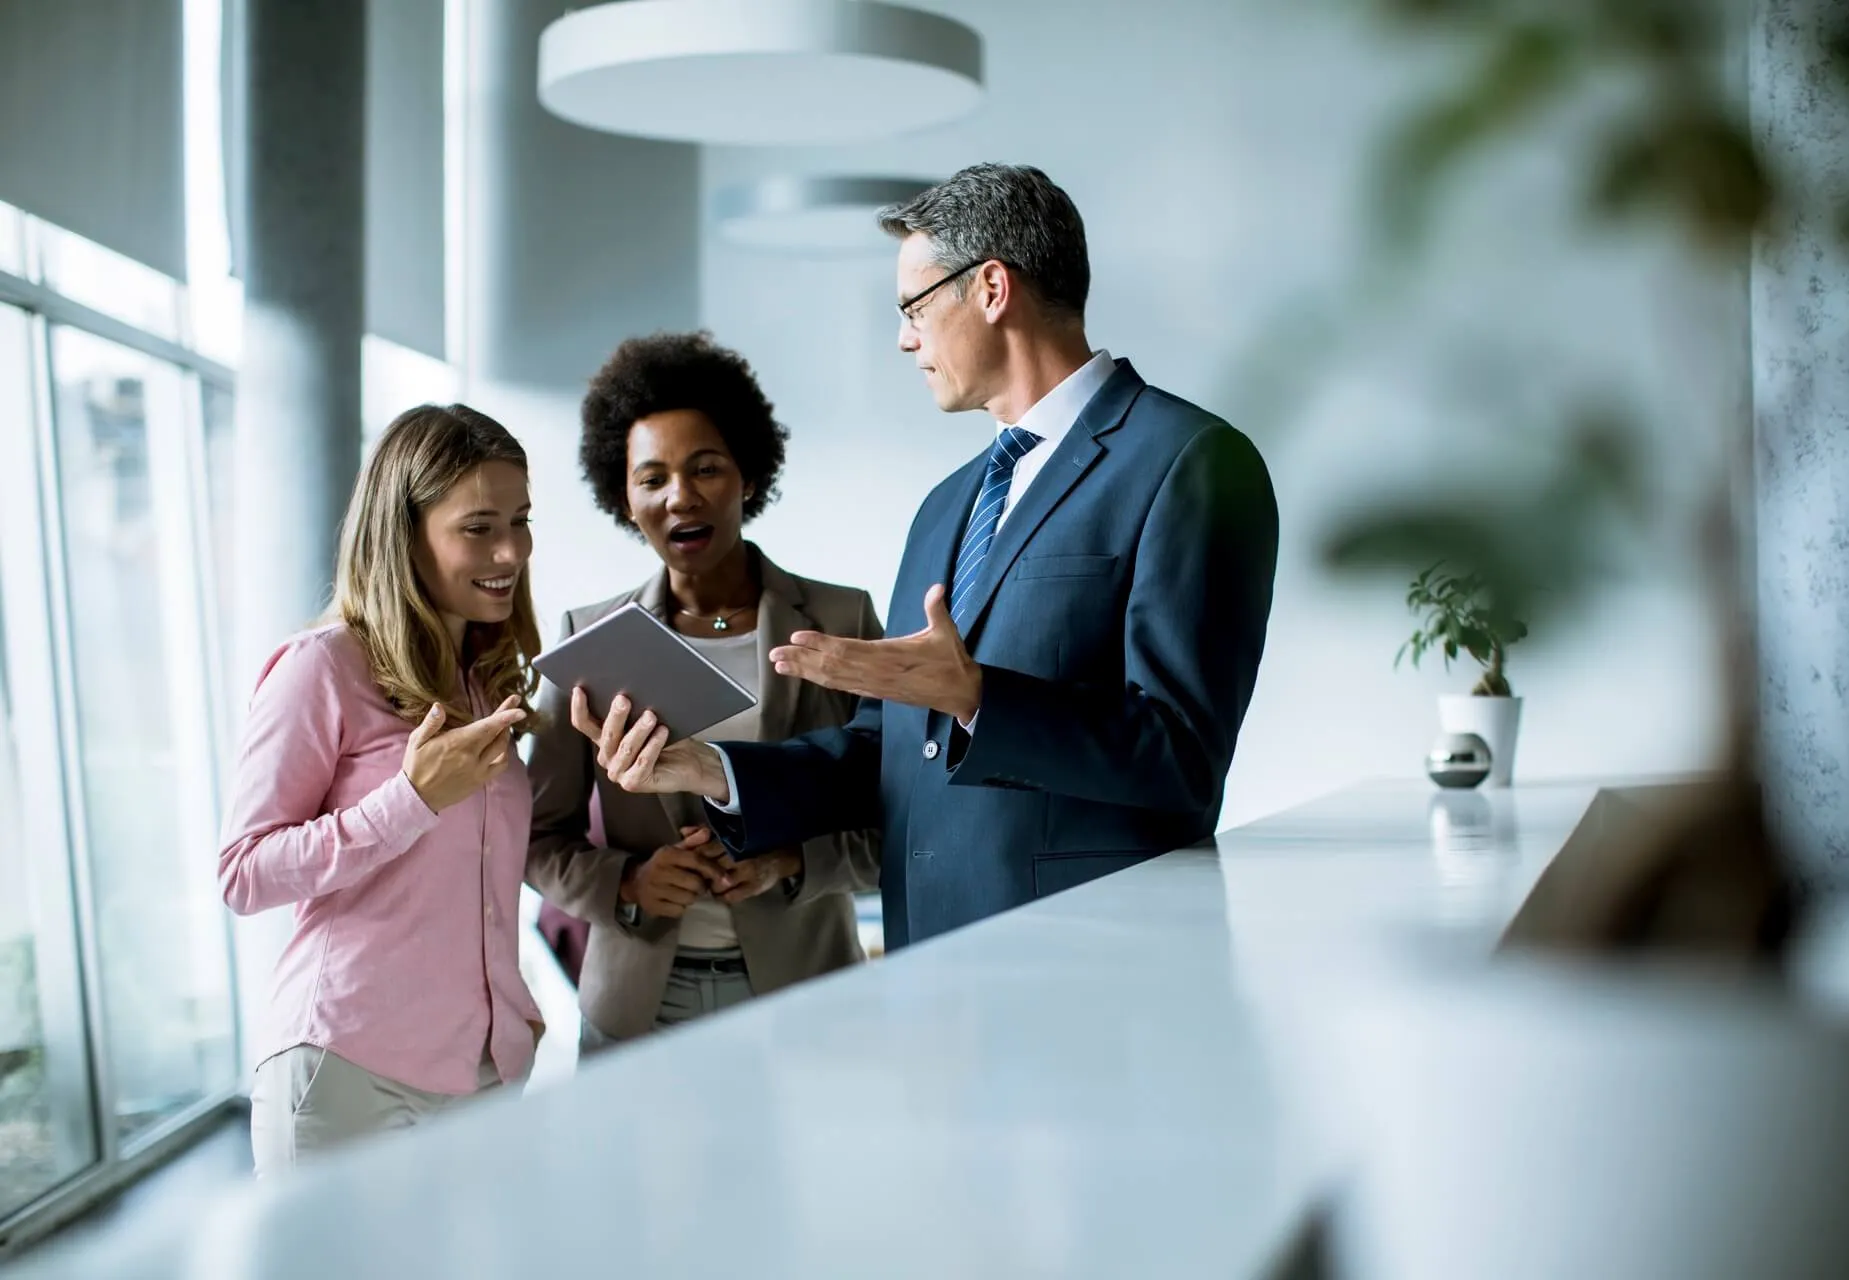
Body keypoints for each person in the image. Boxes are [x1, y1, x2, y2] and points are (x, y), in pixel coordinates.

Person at [576, 163, 1280, 950]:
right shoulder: (946, 505)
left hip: (1092, 966)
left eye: (912, 306)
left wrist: (980, 697)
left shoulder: (1192, 462)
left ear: (989, 288)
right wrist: (706, 769)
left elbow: (1181, 757)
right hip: (933, 977)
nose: (905, 336)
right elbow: (885, 750)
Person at [525, 332, 880, 1045]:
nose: (680, 497)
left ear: (748, 475)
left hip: (806, 992)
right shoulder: (590, 641)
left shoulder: (842, 621)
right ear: (624, 499)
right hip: (638, 1005)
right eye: (652, 479)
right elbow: (535, 837)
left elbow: (897, 816)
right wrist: (625, 883)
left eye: (706, 468)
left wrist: (792, 863)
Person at [218, 404, 543, 1172]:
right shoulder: (321, 668)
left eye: (523, 520)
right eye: (479, 526)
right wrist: (410, 800)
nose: (510, 550)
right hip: (349, 1075)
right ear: (404, 533)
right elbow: (243, 872)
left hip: (485, 1075)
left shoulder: (485, 683)